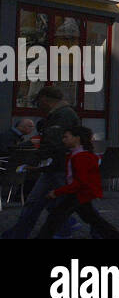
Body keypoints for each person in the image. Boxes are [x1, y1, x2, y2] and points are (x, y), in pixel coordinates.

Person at [3, 86, 81, 239]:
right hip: (54, 165)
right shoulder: (62, 113)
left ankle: (74, 226)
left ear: (45, 99)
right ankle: (19, 233)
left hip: (58, 164)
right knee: (38, 201)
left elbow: (52, 141)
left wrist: (36, 159)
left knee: (71, 201)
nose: (38, 106)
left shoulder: (61, 115)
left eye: (38, 102)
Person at [35, 127, 119, 239]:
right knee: (95, 221)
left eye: (66, 137)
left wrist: (57, 192)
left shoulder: (80, 157)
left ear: (77, 138)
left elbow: (79, 182)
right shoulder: (78, 155)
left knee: (55, 219)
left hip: (78, 193)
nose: (64, 140)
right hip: (80, 193)